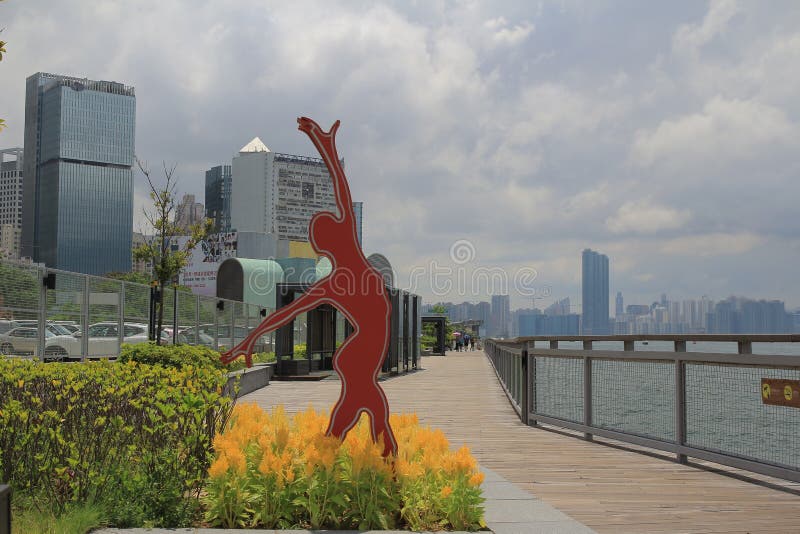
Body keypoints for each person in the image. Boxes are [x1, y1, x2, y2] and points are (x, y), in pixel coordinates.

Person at [221, 117, 397, 457]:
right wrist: (326, 147)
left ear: (322, 245)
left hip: (361, 352)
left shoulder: (332, 282)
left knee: (361, 411)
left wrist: (250, 339)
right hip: (363, 352)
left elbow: (284, 313)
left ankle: (332, 459)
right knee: (367, 410)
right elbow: (341, 187)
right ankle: (351, 463)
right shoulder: (342, 271)